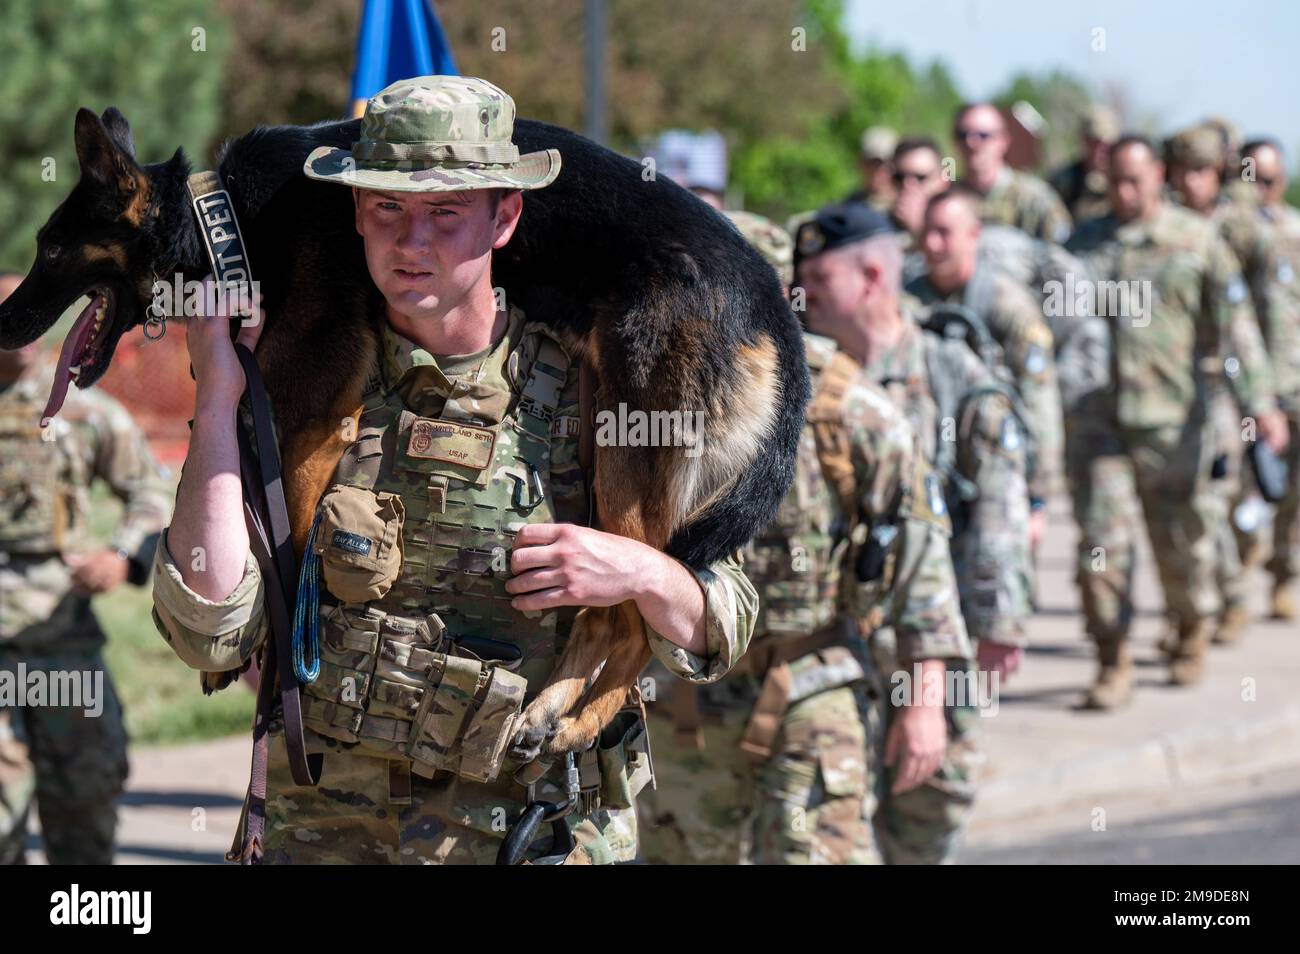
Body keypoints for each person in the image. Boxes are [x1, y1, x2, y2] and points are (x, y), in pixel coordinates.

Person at [150, 76, 759, 865]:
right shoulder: (294, 382)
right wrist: (221, 400)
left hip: (541, 839)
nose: (411, 244)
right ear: (355, 215)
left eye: (445, 214)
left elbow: (722, 625)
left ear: (505, 216)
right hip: (330, 841)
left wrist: (642, 571)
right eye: (387, 210)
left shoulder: (595, 388)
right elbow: (210, 632)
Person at [639, 211, 973, 865]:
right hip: (686, 700)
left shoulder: (852, 411)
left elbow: (922, 573)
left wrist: (923, 706)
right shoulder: (645, 406)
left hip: (813, 683)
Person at [796, 202, 1032, 862]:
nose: (802, 293)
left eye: (817, 279)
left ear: (872, 276)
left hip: (937, 630)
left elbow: (999, 506)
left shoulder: (953, 370)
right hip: (836, 636)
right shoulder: (804, 376)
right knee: (834, 804)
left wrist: (998, 621)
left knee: (935, 795)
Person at [1064, 136, 1288, 708]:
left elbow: (1237, 327)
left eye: (1136, 179)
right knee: (1101, 547)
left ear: (1158, 175)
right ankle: (1111, 659)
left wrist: (1259, 404)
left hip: (1176, 426)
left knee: (1184, 550)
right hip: (1100, 426)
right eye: (1115, 180)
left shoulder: (1197, 241)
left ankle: (1190, 628)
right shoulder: (1083, 243)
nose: (1125, 191)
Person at [0, 272, 170, 864]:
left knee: (85, 807)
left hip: (65, 647)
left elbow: (152, 492)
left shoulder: (85, 412)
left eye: (29, 315)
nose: (19, 331)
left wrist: (120, 554)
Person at [1167, 123, 1283, 643]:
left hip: (1228, 382)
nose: (1192, 183)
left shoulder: (1244, 228)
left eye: (1202, 172)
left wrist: (1265, 393)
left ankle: (1231, 594)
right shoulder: (1164, 227)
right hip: (1172, 387)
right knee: (1185, 504)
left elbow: (1267, 310)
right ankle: (1201, 602)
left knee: (1217, 495)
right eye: (1182, 171)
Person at [906, 188, 1064, 542]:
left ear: (973, 235)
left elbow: (1040, 401)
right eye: (927, 232)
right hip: (931, 468)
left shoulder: (1008, 306)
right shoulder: (909, 301)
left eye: (944, 233)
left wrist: (1038, 499)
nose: (932, 244)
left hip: (997, 467)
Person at [1240, 139, 1300, 619]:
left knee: (1293, 488)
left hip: (1295, 377)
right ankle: (1232, 581)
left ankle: (1284, 575)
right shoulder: (1227, 234)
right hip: (1241, 380)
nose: (1262, 188)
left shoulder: (1296, 232)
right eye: (1251, 177)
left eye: (1270, 179)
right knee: (1234, 483)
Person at [953, 102, 1073, 244]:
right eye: (963, 135)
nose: (971, 143)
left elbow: (1063, 254)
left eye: (983, 135)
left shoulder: (1034, 198)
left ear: (1003, 141)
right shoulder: (947, 201)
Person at [1049, 105, 1120, 222]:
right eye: (1095, 142)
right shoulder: (1064, 182)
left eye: (1108, 144)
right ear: (1084, 142)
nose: (1102, 149)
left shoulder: (1125, 182)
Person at [847, 126, 900, 212]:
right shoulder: (851, 203)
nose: (879, 169)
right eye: (872, 162)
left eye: (886, 163)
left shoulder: (902, 208)